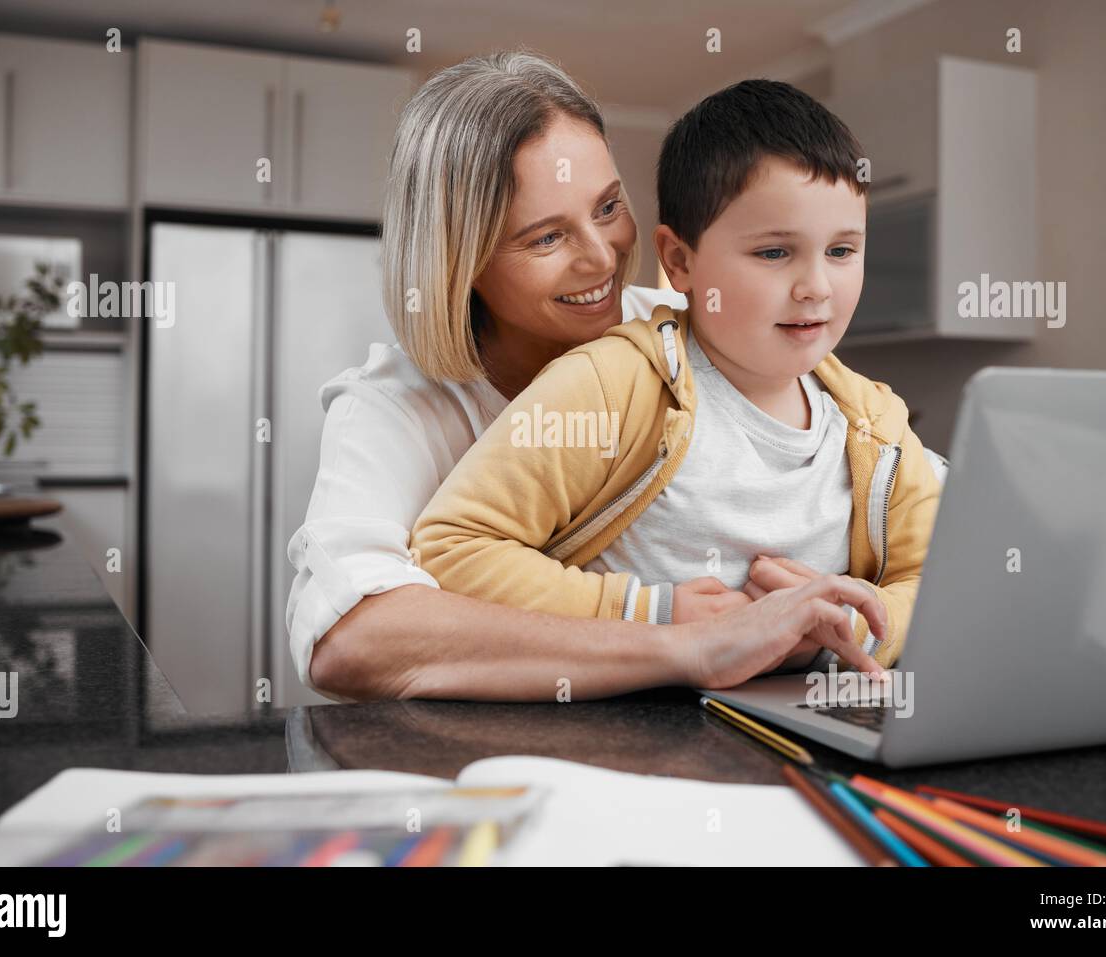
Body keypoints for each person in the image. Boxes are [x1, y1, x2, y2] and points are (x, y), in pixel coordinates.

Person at [287, 53, 890, 704]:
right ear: (460, 261)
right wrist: (680, 642)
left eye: (607, 207)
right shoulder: (393, 407)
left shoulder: (675, 338)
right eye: (546, 239)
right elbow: (348, 639)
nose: (602, 258)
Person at [411, 78, 943, 673]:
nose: (816, 286)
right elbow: (453, 550)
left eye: (842, 251)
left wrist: (855, 625)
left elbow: (946, 580)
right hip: (629, 739)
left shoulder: (876, 426)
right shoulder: (609, 385)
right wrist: (651, 612)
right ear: (680, 261)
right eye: (774, 252)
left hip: (803, 731)